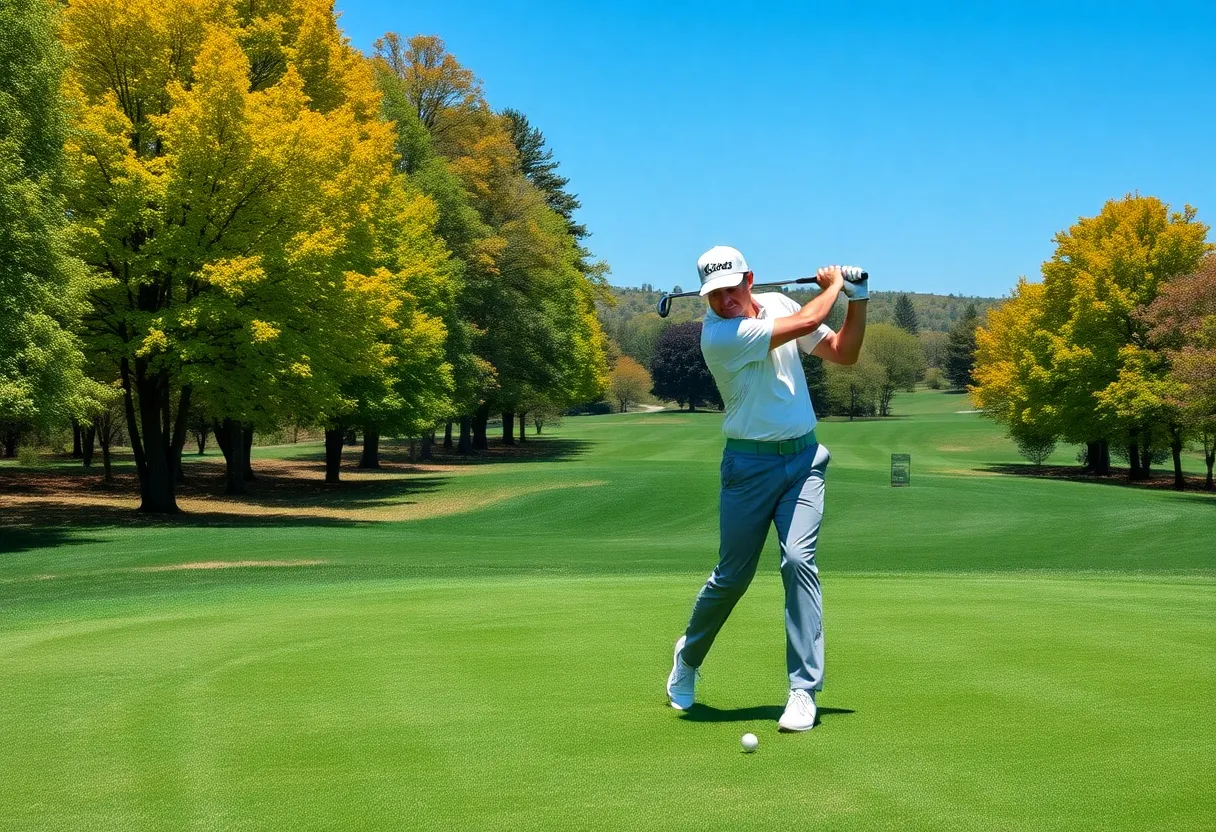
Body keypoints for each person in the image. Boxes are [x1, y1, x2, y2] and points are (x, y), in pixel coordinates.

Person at [665, 245, 868, 732]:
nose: (725, 299)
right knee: (732, 576)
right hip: (747, 467)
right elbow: (803, 326)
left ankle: (803, 690)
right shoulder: (721, 336)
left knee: (798, 560)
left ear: (749, 279)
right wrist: (835, 287)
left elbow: (844, 353)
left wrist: (859, 299)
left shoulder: (778, 303)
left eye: (732, 288)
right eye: (714, 294)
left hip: (803, 460)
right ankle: (688, 658)